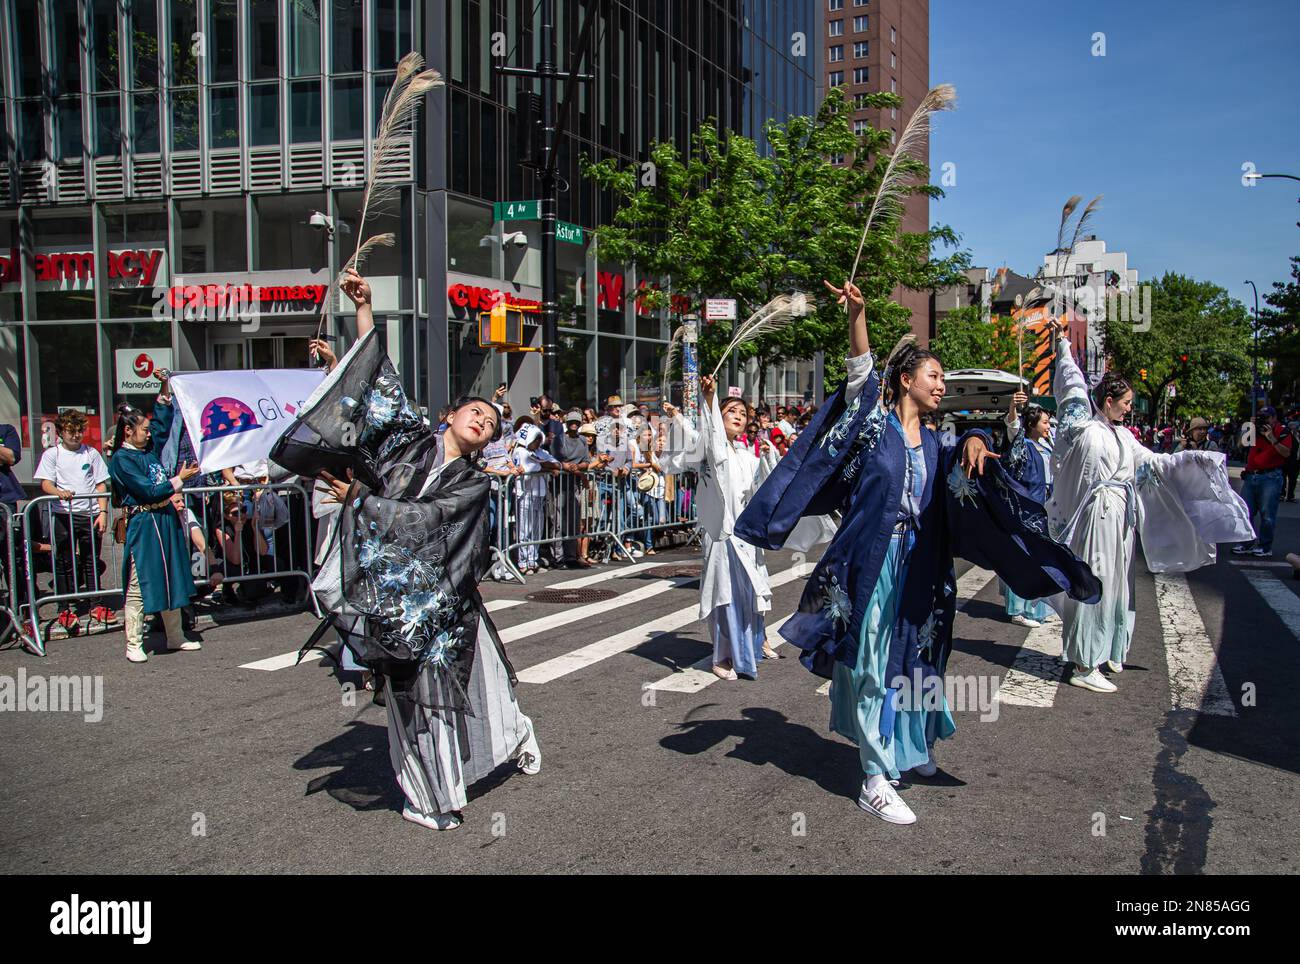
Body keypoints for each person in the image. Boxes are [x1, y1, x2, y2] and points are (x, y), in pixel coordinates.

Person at [735, 280, 1102, 826]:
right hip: (872, 565)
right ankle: (875, 777)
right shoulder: (873, 430)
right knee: (873, 665)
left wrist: (976, 440)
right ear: (906, 380)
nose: (942, 384)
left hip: (922, 567)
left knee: (919, 659)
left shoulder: (937, 442)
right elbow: (860, 377)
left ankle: (911, 748)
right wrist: (856, 317)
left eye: (944, 379)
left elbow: (973, 469)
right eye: (934, 375)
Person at [287, 268, 541, 831]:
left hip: (441, 603)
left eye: (493, 422)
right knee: (413, 701)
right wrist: (364, 311)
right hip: (390, 592)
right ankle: (433, 795)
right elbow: (379, 385)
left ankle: (512, 737)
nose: (484, 418)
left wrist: (360, 498)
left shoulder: (474, 483)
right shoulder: (408, 440)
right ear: (451, 413)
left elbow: (428, 521)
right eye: (477, 409)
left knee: (471, 687)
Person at [1047, 326, 1253, 690]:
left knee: (1118, 584)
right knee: (1096, 580)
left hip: (1119, 517)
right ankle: (1083, 663)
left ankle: (1108, 646)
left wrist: (1189, 460)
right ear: (1108, 400)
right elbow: (1071, 386)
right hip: (1099, 516)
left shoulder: (1123, 434)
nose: (1129, 407)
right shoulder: (1087, 431)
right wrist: (1062, 345)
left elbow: (1152, 462)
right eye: (1125, 401)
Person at [660, 376, 779, 681]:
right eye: (732, 412)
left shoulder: (747, 455)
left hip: (746, 535)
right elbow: (709, 435)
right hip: (721, 533)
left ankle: (753, 645)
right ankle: (722, 656)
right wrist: (709, 397)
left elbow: (765, 488)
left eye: (743, 413)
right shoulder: (712, 451)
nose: (739, 417)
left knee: (752, 592)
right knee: (724, 594)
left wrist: (768, 457)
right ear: (717, 417)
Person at [108, 380, 203, 663]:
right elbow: (148, 490)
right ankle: (133, 642)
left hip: (164, 519)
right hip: (144, 524)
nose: (149, 433)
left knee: (170, 577)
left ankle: (175, 636)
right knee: (140, 583)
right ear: (128, 431)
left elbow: (161, 426)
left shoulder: (149, 451)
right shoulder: (122, 460)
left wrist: (164, 390)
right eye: (143, 429)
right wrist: (179, 479)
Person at [34, 410, 118, 638]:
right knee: (64, 561)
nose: (77, 435)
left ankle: (95, 604)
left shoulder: (91, 453)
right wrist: (59, 492)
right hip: (64, 514)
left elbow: (101, 484)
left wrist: (102, 513)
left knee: (91, 559)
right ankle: (64, 607)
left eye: (80, 430)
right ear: (61, 432)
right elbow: (46, 484)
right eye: (72, 431)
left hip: (89, 514)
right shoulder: (53, 454)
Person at [997, 391, 1055, 628]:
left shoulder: (1046, 446)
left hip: (1043, 509)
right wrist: (1012, 406)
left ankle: (1036, 608)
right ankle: (1017, 610)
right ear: (1031, 425)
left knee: (1039, 559)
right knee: (1021, 557)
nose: (1048, 426)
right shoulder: (1022, 444)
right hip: (1025, 510)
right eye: (1044, 422)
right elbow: (1012, 425)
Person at [1232, 406, 1292, 558]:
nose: (1263, 421)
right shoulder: (1253, 430)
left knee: (1267, 515)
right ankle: (1245, 543)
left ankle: (1265, 546)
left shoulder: (1282, 431)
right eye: (1260, 417)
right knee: (1246, 511)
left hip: (1270, 476)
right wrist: (1250, 429)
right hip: (1251, 475)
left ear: (1273, 418)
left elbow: (1286, 452)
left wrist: (1271, 437)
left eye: (1266, 418)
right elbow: (1240, 446)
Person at [512, 423, 560, 574]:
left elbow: (556, 464)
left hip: (539, 494)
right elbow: (530, 469)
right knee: (524, 530)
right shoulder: (520, 451)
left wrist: (543, 464)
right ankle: (523, 562)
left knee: (537, 530)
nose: (538, 443)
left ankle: (533, 560)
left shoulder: (540, 451)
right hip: (524, 494)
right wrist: (545, 466)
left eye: (540, 440)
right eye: (535, 440)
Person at [552, 410, 595, 568]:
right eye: (571, 422)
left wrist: (578, 467)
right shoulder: (559, 439)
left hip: (575, 483)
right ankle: (558, 556)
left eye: (577, 422)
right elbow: (556, 460)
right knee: (558, 521)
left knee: (573, 521)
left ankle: (571, 556)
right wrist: (569, 467)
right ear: (567, 423)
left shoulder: (583, 440)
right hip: (560, 484)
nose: (574, 425)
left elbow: (586, 462)